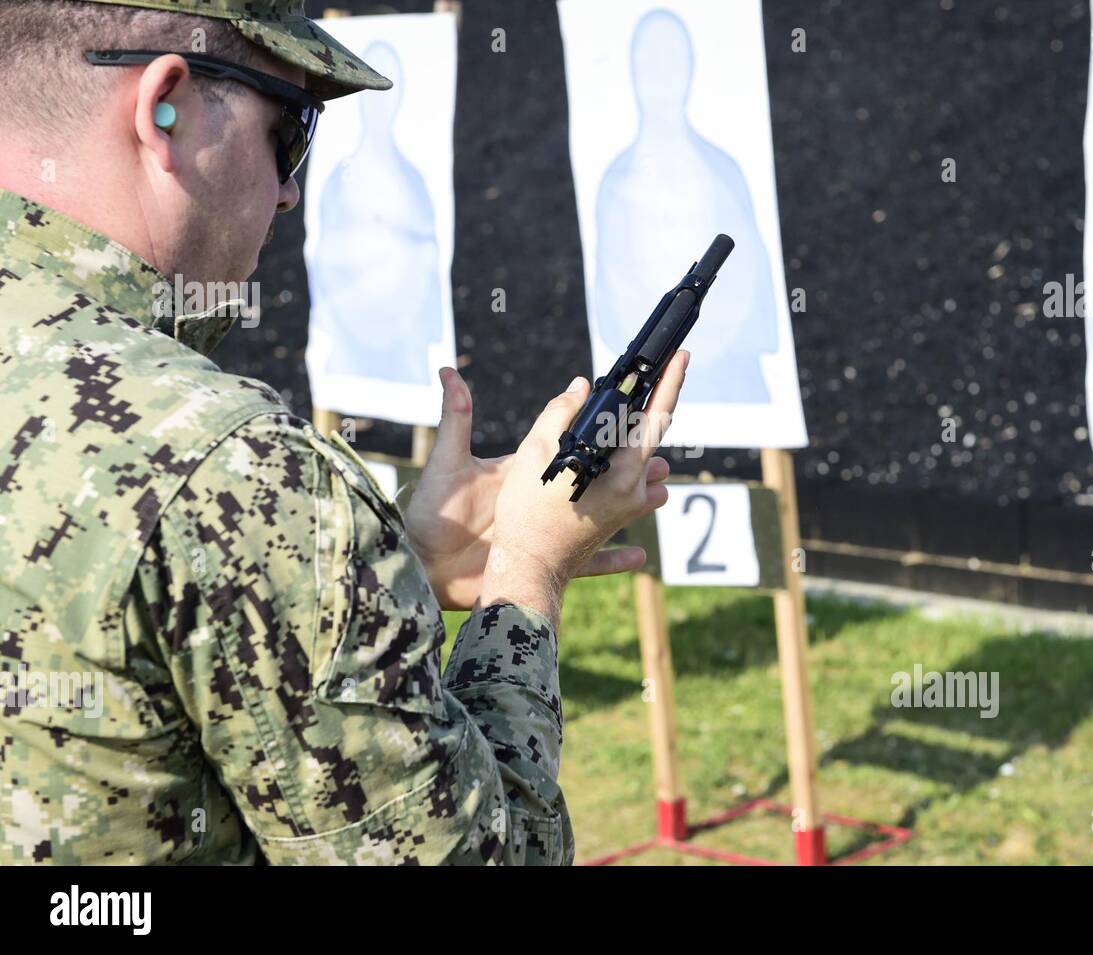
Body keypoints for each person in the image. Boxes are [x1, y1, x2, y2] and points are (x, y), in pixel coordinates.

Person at [0, 0, 685, 865]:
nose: (289, 188)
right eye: (291, 129)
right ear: (162, 106)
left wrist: (375, 567)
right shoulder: (232, 470)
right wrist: (529, 570)